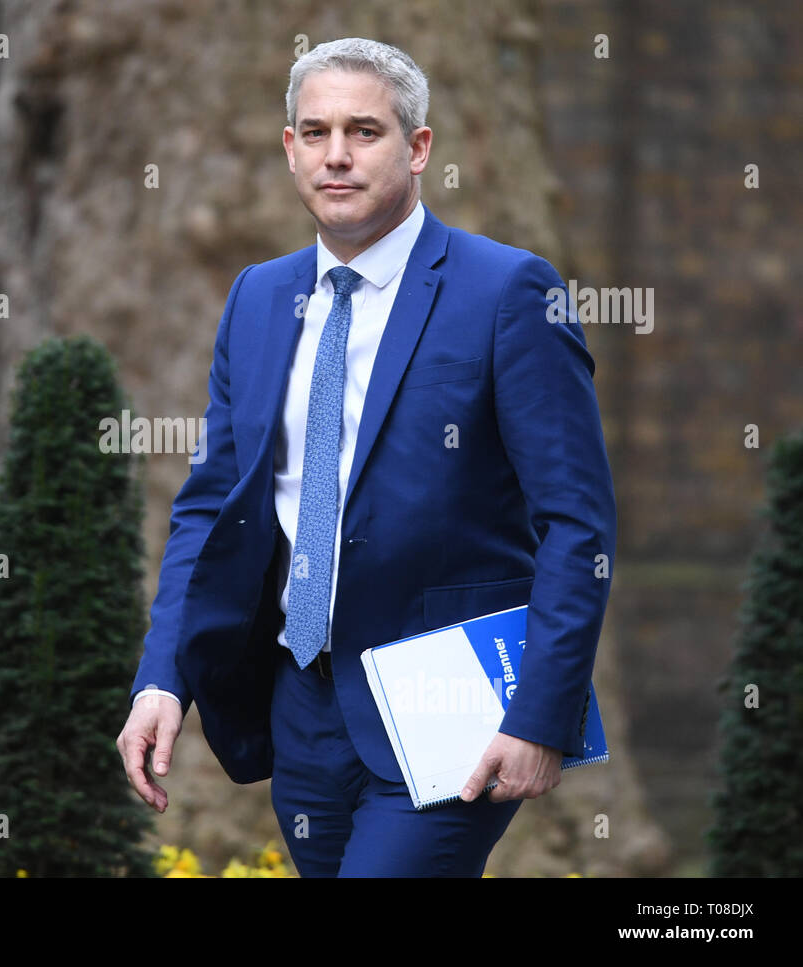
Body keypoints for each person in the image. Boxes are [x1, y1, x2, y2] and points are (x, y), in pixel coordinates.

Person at [115, 37, 616, 877]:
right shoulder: (259, 297)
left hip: (453, 707)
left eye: (364, 131)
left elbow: (578, 522)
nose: (336, 155)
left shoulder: (508, 291)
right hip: (301, 702)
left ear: (418, 148)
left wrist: (541, 714)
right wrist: (161, 677)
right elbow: (210, 505)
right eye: (314, 133)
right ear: (289, 149)